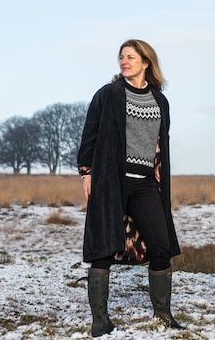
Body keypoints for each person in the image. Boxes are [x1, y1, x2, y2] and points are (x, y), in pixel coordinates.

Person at [77, 39, 184, 336]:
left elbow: (161, 145)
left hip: (146, 183)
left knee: (161, 246)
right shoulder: (109, 94)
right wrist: (86, 172)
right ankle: (100, 321)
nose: (124, 61)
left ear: (146, 62)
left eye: (131, 57)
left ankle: (163, 314)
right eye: (122, 57)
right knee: (103, 249)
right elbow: (90, 134)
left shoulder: (159, 100)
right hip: (111, 181)